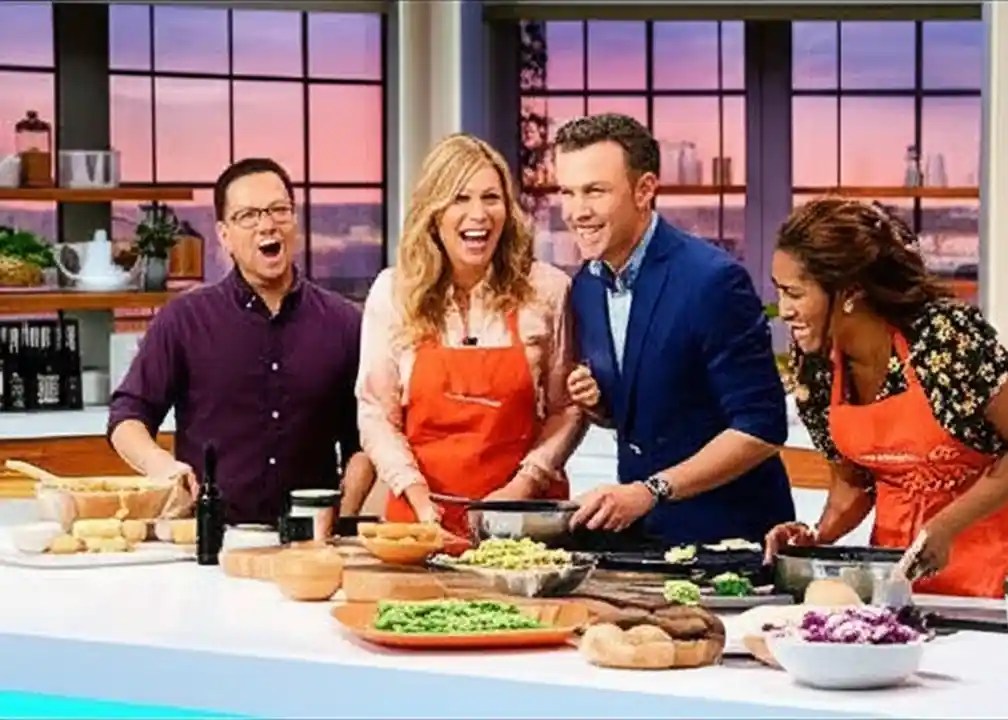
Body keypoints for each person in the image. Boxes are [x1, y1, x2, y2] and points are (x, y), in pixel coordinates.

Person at [764, 198, 1008, 598]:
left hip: (991, 571)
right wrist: (814, 537)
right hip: (893, 576)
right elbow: (854, 486)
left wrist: (946, 525)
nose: (785, 311)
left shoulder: (945, 336)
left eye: (795, 293)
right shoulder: (817, 367)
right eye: (780, 293)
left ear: (850, 291)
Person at [556, 113, 795, 546]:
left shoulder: (712, 280)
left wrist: (652, 491)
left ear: (645, 189)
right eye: (567, 193)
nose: (577, 212)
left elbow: (760, 428)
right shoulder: (586, 287)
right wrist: (600, 404)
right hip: (638, 542)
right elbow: (649, 413)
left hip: (729, 543)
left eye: (594, 191)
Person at [109, 157, 375, 524]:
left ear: (294, 220)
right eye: (249, 215)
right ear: (224, 234)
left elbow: (364, 438)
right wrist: (164, 469)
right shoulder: (185, 320)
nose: (267, 225)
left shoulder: (345, 323)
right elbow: (127, 417)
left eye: (279, 210)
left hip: (313, 546)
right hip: (212, 542)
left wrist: (348, 508)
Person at [355, 133, 584, 537]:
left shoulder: (548, 290)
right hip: (420, 526)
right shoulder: (393, 293)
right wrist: (416, 494)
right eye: (460, 198)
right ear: (432, 212)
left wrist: (522, 486)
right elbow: (376, 413)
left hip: (523, 525)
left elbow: (566, 408)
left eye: (491, 198)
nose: (478, 214)